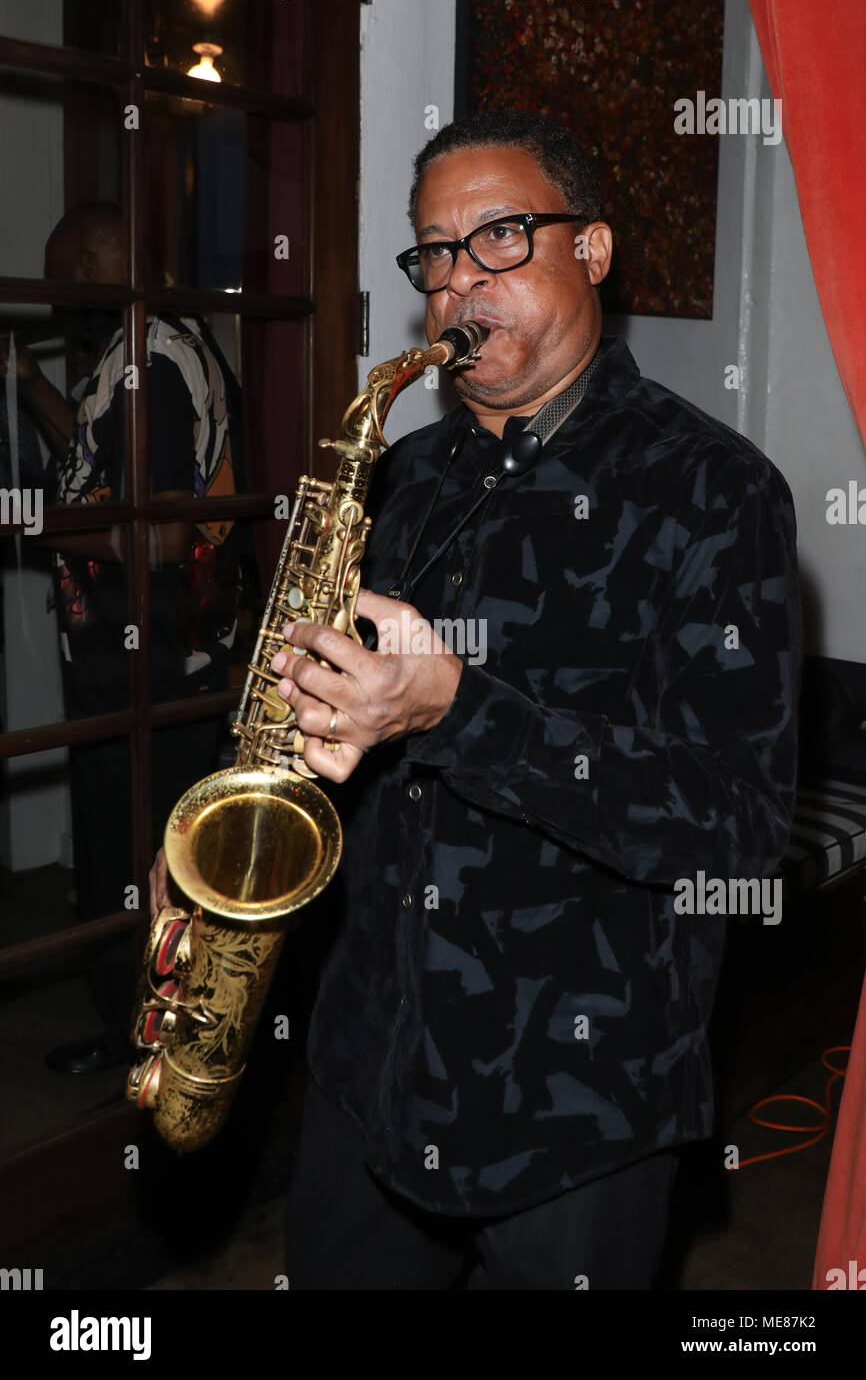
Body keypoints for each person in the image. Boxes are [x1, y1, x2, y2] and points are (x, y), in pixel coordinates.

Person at [152, 108, 802, 1289]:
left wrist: (457, 710)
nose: (456, 284)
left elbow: (737, 829)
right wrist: (222, 834)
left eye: (498, 238)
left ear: (591, 251)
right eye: (434, 253)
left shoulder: (714, 492)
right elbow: (314, 695)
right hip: (368, 1068)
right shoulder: (404, 473)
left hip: (572, 1114)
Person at [2, 201, 244, 1074]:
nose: (60, 294)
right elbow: (101, 471)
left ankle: (156, 1050)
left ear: (108, 260)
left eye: (68, 274)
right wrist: (30, 381)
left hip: (159, 673)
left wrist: (30, 524)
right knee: (117, 863)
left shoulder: (158, 357)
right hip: (122, 662)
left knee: (149, 870)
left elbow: (162, 536)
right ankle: (129, 1038)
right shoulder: (133, 350)